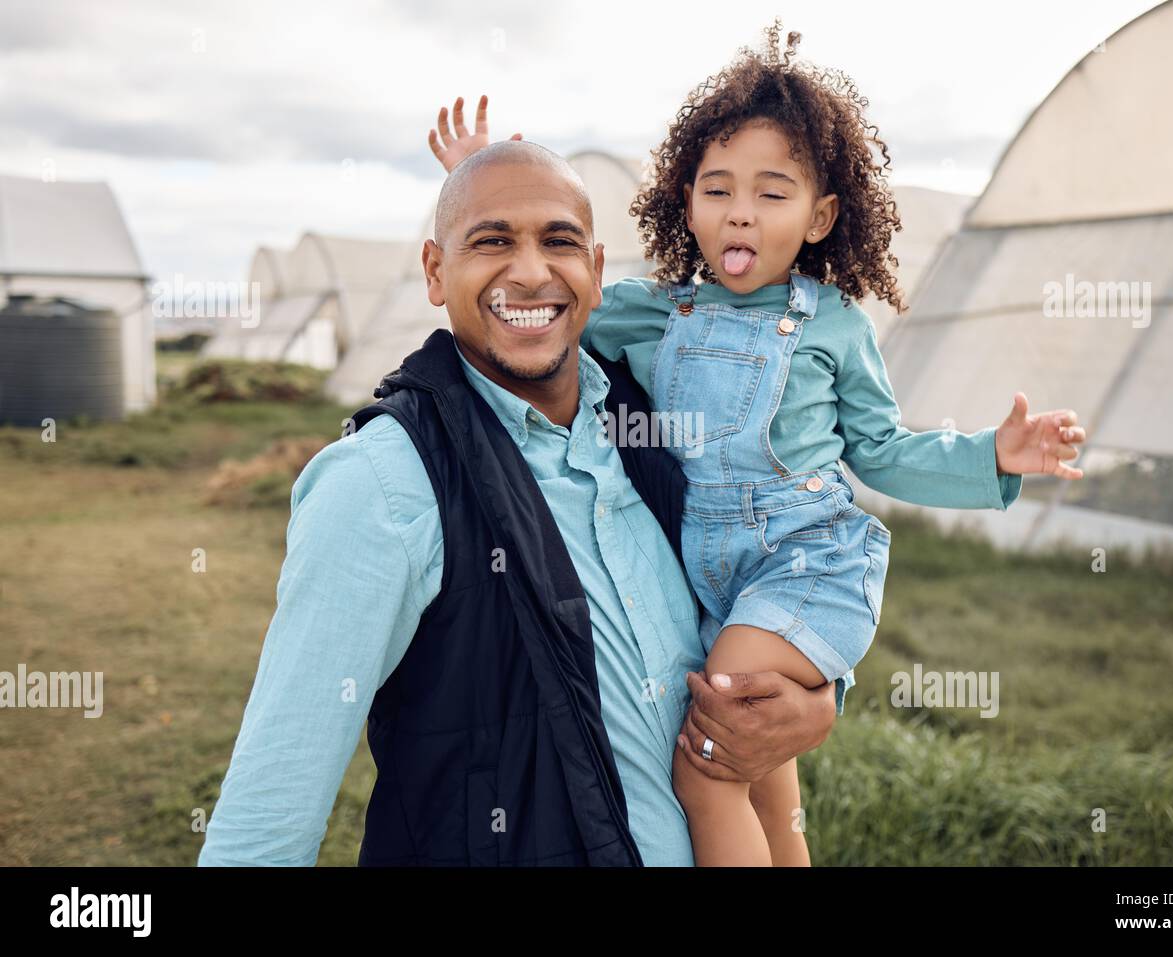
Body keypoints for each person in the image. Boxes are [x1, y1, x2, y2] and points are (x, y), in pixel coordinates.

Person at [428, 23, 1086, 866]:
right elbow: (541, 298)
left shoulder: (834, 325)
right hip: (708, 580)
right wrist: (480, 186)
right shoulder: (657, 310)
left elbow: (880, 451)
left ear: (820, 217)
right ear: (685, 201)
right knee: (770, 786)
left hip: (806, 561)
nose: (741, 210)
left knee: (708, 768)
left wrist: (991, 455)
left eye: (773, 194)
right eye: (718, 189)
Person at [197, 136, 843, 867]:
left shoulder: (654, 429)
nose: (531, 271)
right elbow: (266, 825)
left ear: (597, 273)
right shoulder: (381, 483)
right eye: (491, 240)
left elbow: (781, 556)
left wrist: (818, 700)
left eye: (559, 241)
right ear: (436, 271)